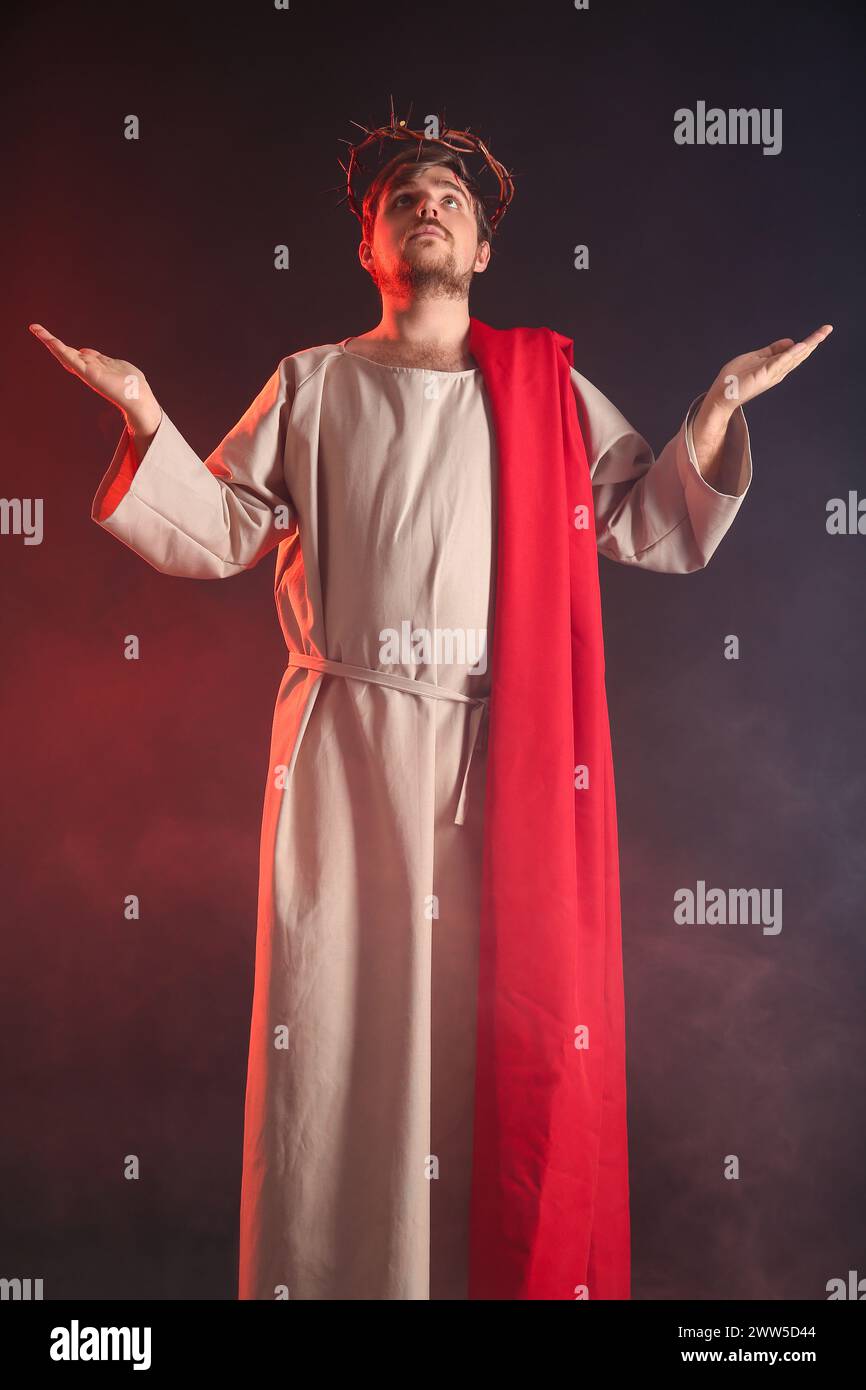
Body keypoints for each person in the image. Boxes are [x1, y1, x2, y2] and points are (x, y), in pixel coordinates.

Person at [28, 134, 831, 1301]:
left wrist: (716, 404)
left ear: (483, 246)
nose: (426, 209)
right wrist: (148, 415)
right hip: (343, 763)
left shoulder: (544, 389)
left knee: (480, 1044)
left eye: (449, 199)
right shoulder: (312, 381)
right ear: (368, 243)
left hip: (494, 767)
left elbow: (647, 523)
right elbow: (218, 528)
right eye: (401, 199)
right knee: (338, 1031)